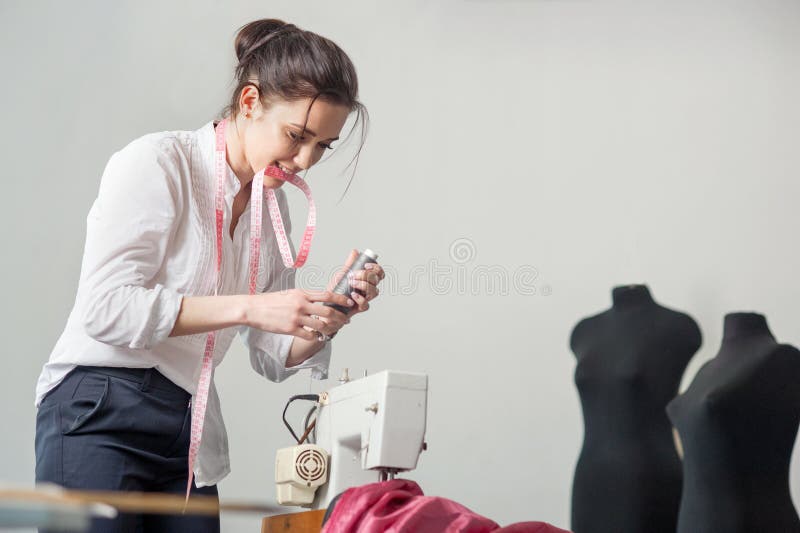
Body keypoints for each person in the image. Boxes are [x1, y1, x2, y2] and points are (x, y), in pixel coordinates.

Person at [33, 18, 383, 532]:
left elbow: (272, 353)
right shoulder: (159, 163)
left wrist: (328, 314)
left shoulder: (272, 208)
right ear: (249, 102)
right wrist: (251, 306)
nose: (305, 161)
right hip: (101, 408)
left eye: (322, 146)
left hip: (188, 431)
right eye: (296, 136)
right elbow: (105, 308)